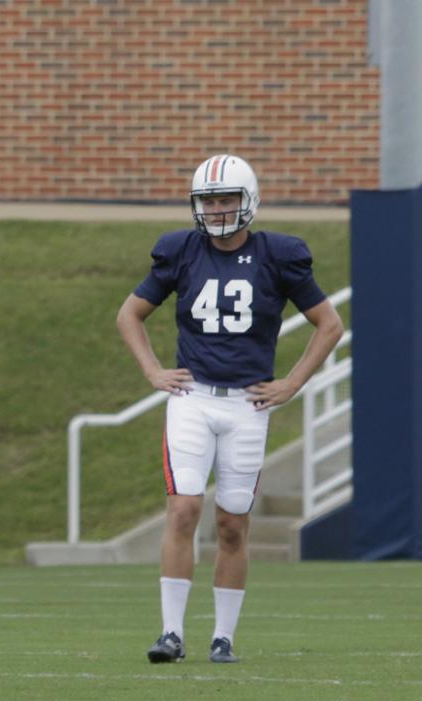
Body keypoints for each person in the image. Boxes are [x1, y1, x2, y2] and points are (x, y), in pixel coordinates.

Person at [116, 155, 343, 665]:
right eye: (209, 201)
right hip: (192, 399)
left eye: (226, 199)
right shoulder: (181, 250)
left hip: (246, 403)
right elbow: (130, 314)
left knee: (232, 524)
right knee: (183, 508)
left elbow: (329, 324)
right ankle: (171, 634)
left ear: (248, 200)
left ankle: (224, 636)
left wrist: (292, 382)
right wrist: (153, 371)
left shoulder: (278, 255)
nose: (217, 210)